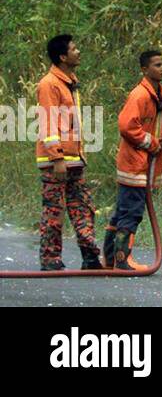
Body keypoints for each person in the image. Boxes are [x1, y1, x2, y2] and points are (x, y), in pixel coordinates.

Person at [104, 49, 162, 271]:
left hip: (147, 163)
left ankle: (110, 259)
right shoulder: (139, 95)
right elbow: (127, 126)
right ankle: (121, 259)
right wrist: (152, 142)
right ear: (144, 69)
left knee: (123, 211)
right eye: (157, 65)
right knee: (131, 212)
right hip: (134, 163)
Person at [35, 34, 103, 270]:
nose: (78, 52)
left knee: (83, 208)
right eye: (74, 49)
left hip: (74, 161)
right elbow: (48, 123)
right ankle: (50, 259)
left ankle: (90, 257)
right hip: (57, 163)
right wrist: (57, 158)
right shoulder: (49, 84)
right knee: (54, 213)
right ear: (63, 56)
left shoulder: (69, 82)